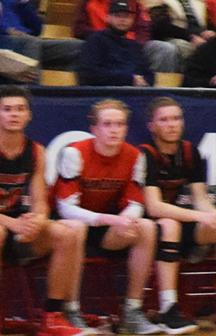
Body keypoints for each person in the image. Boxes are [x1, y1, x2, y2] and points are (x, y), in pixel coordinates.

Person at [0, 87, 84, 336]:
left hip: (13, 224)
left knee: (66, 235)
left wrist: (37, 220)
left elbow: (40, 202)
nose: (14, 114)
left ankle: (52, 316)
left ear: (29, 115)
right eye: (7, 109)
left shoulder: (36, 150)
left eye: (20, 109)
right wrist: (11, 223)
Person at [141, 97, 216, 332]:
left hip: (181, 222)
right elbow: (154, 207)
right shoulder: (146, 154)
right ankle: (168, 309)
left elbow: (200, 199)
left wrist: (215, 214)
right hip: (148, 228)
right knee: (169, 223)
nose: (172, 124)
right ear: (151, 126)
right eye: (164, 120)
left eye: (176, 118)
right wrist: (200, 217)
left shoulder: (191, 151)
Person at [55, 99, 160, 335]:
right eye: (107, 124)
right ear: (95, 129)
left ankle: (132, 310)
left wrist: (127, 219)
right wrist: (110, 220)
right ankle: (71, 309)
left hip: (107, 228)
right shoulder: (75, 153)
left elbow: (135, 202)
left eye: (119, 124)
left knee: (146, 227)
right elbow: (65, 208)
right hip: (74, 223)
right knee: (76, 228)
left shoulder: (135, 155)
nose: (114, 130)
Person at [76, 0, 156, 87]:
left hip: (133, 93)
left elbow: (149, 75)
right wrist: (129, 79)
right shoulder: (95, 40)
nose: (122, 20)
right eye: (117, 15)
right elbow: (88, 74)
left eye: (126, 16)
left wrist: (144, 81)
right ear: (108, 17)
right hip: (103, 93)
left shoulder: (134, 46)